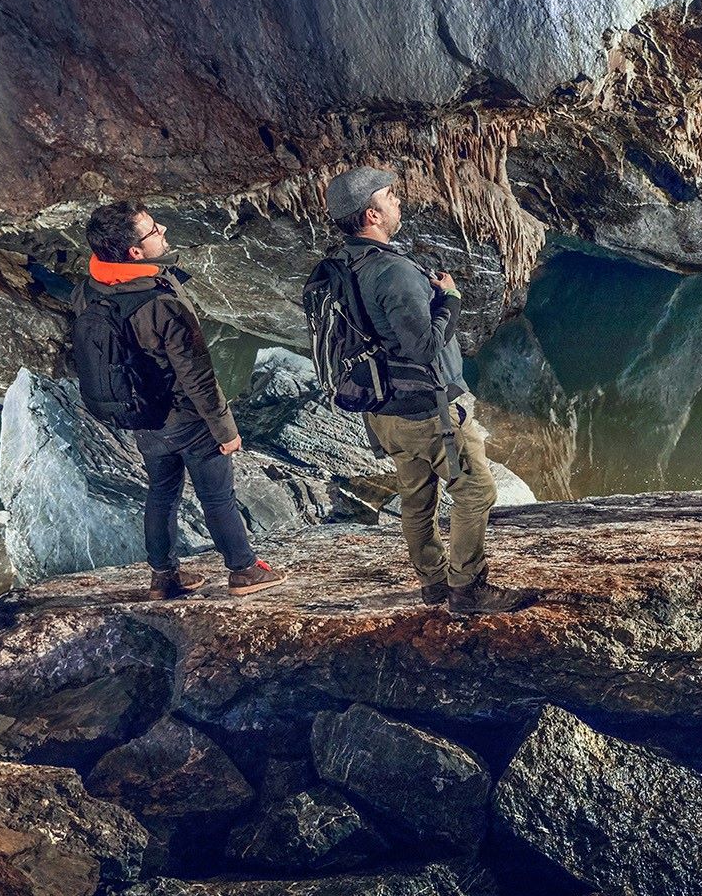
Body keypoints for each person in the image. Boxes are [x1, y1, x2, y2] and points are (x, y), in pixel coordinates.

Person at [321, 166, 535, 615]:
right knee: (476, 492)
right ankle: (467, 590)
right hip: (430, 412)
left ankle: (433, 583)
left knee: (416, 497)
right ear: (371, 215)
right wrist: (450, 301)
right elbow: (423, 346)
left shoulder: (339, 266)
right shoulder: (393, 273)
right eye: (390, 196)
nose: (398, 201)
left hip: (383, 411)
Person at [74, 201, 284, 598]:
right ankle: (243, 571)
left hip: (141, 415)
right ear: (135, 253)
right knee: (217, 494)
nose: (164, 231)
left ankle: (163, 577)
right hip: (185, 416)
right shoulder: (161, 303)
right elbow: (198, 376)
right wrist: (225, 428)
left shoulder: (88, 289)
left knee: (162, 491)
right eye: (154, 230)